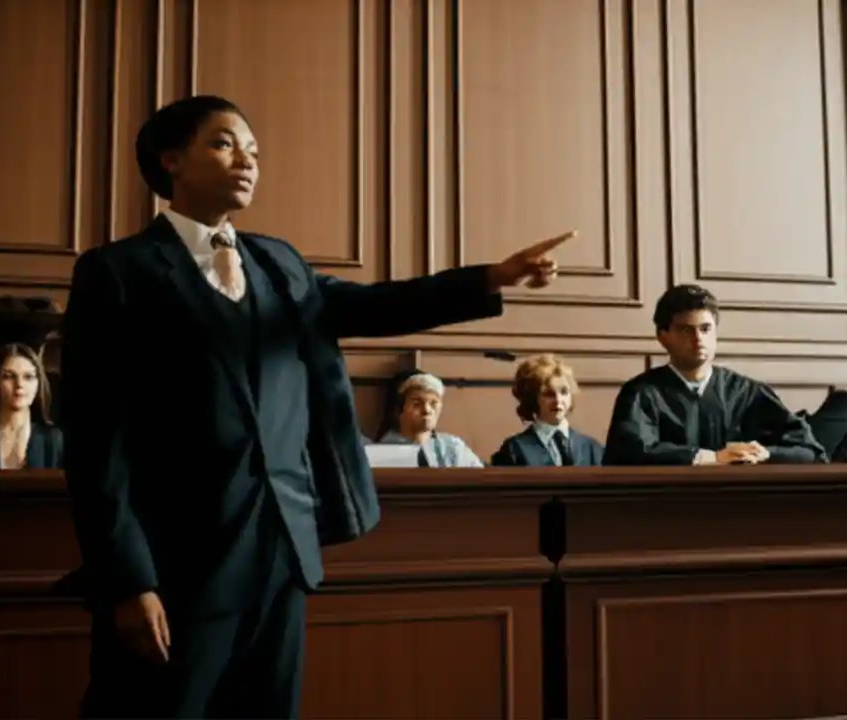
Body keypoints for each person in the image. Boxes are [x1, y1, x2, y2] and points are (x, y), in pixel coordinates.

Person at [61, 95, 572, 718]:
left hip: (282, 549)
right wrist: (128, 580)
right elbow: (95, 442)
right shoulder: (118, 272)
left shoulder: (278, 263)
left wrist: (492, 277)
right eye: (224, 143)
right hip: (176, 565)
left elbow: (377, 305)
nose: (246, 160)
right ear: (171, 160)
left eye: (253, 149)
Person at [603, 284, 825, 465]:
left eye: (705, 329)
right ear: (662, 336)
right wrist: (710, 458)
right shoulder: (642, 393)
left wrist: (765, 454)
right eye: (685, 329)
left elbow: (808, 450)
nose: (698, 339)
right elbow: (628, 453)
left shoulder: (746, 392)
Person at [491, 354, 604, 466]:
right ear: (533, 398)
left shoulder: (592, 449)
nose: (558, 400)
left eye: (564, 392)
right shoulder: (515, 450)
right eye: (548, 394)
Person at [376, 369, 484, 468]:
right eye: (417, 404)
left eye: (433, 403)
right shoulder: (381, 451)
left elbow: (480, 478)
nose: (427, 410)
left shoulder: (453, 448)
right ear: (399, 409)